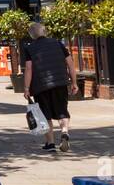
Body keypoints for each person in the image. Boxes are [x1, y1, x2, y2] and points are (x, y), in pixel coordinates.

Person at [23, 22, 76, 152]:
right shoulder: (58, 43)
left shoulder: (30, 48)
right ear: (44, 31)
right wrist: (74, 82)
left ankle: (50, 143)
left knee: (45, 115)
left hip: (41, 86)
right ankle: (64, 131)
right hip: (60, 83)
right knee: (62, 110)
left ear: (31, 35)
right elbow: (70, 64)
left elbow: (29, 69)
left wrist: (26, 88)